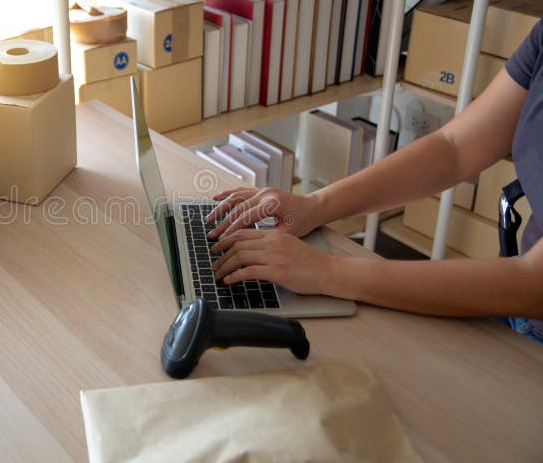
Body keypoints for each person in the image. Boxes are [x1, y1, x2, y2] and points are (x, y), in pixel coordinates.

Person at [206, 18, 543, 343]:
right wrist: (314, 205)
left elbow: (535, 285)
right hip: (511, 305)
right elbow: (453, 149)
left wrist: (327, 273)